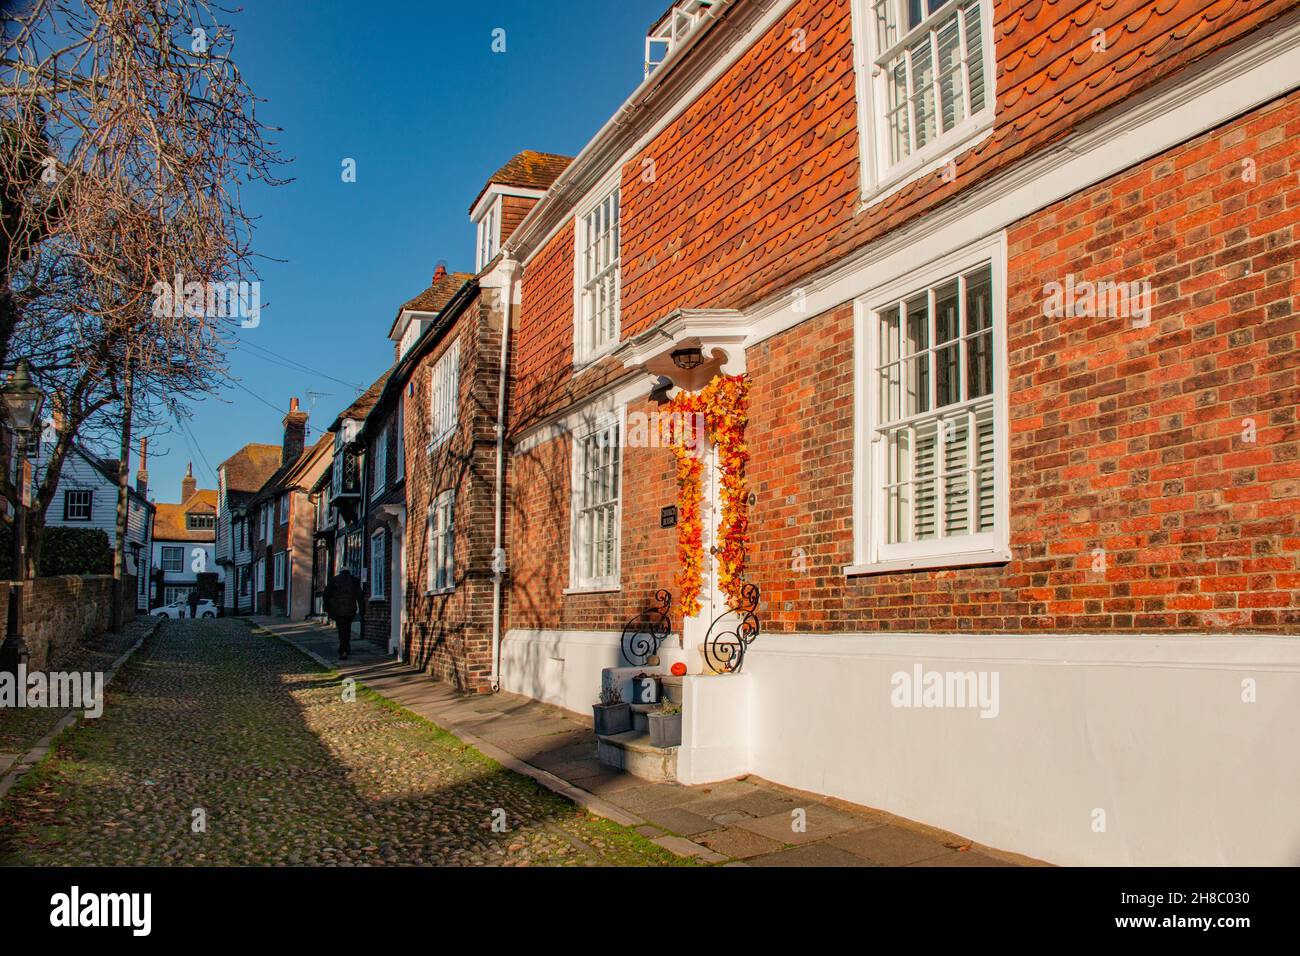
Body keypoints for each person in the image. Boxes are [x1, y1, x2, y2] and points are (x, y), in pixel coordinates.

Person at [323, 568, 362, 660]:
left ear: (340, 572)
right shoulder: (354, 580)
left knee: (341, 630)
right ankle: (346, 648)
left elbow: (326, 595)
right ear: (349, 571)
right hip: (350, 609)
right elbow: (359, 595)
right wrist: (362, 610)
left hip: (337, 610)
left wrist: (327, 609)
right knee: (347, 629)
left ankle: (343, 650)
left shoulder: (334, 580)